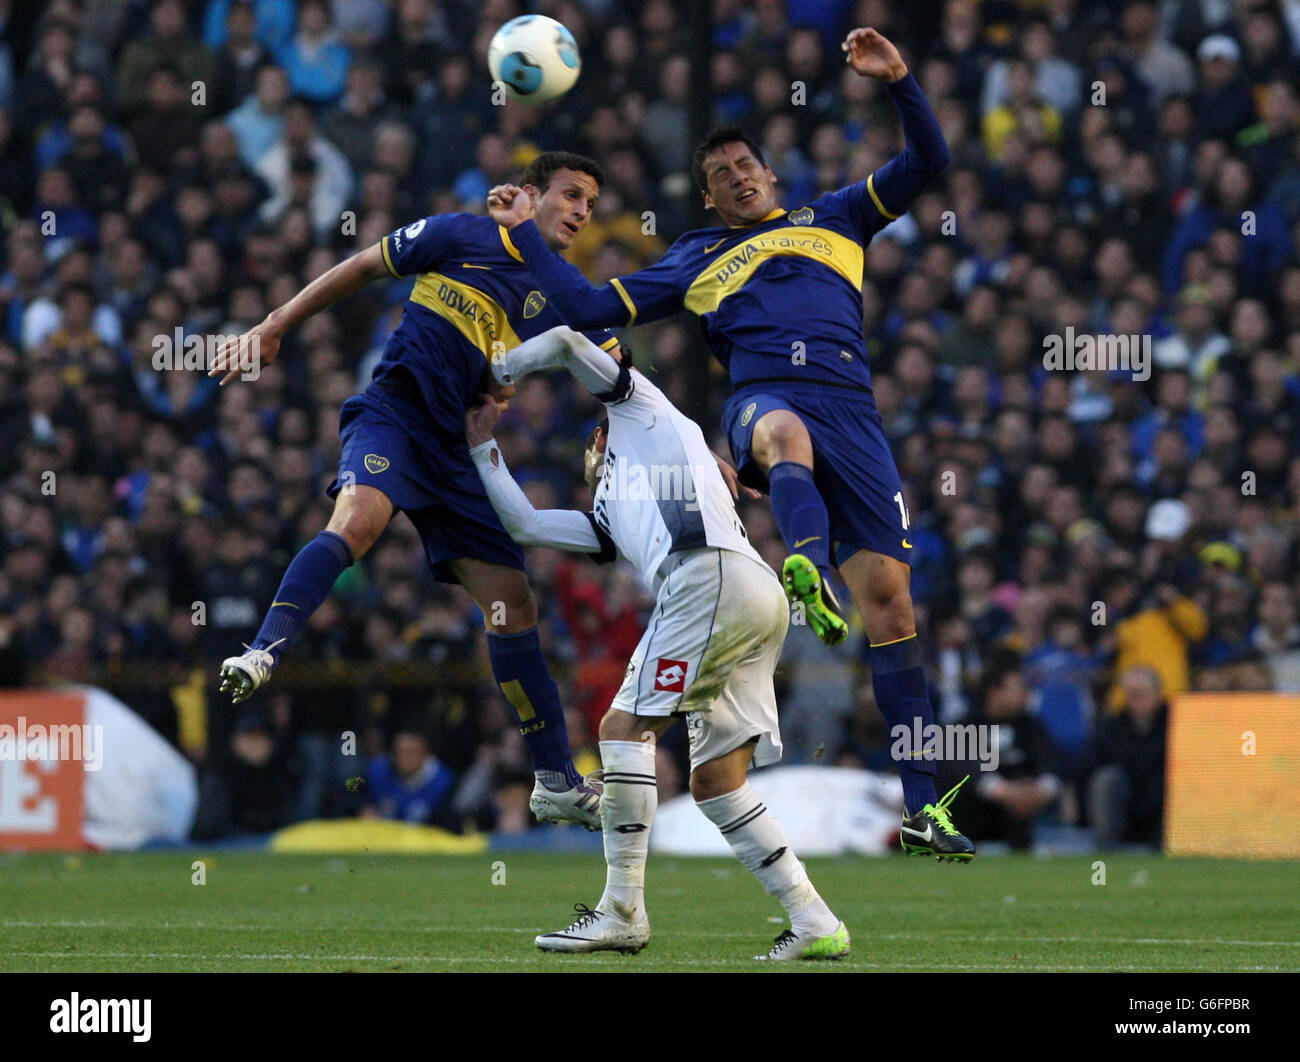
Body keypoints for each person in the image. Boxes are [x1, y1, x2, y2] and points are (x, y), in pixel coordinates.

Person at [486, 27, 973, 859]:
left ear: (769, 174)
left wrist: (901, 79)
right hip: (763, 399)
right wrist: (527, 235)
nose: (737, 177)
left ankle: (927, 808)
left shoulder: (840, 215)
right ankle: (806, 567)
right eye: (720, 176)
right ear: (709, 198)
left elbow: (927, 161)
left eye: (745, 165)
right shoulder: (693, 257)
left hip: (854, 412)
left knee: (893, 606)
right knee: (783, 439)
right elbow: (588, 307)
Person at [207, 152, 625, 829]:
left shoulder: (566, 292)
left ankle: (552, 778)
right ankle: (264, 650)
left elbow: (617, 368)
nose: (582, 212)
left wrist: (671, 435)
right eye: (572, 195)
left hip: (456, 453)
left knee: (512, 605)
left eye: (590, 202)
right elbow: (363, 267)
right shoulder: (462, 234)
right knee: (358, 522)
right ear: (527, 195)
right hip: (396, 414)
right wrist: (276, 323)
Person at [466, 326, 848, 961]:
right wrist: (483, 446)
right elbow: (524, 522)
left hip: (709, 578)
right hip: (747, 592)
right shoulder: (610, 507)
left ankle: (621, 910)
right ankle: (814, 919)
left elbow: (563, 339)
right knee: (717, 781)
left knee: (622, 728)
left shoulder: (639, 406)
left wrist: (496, 371)